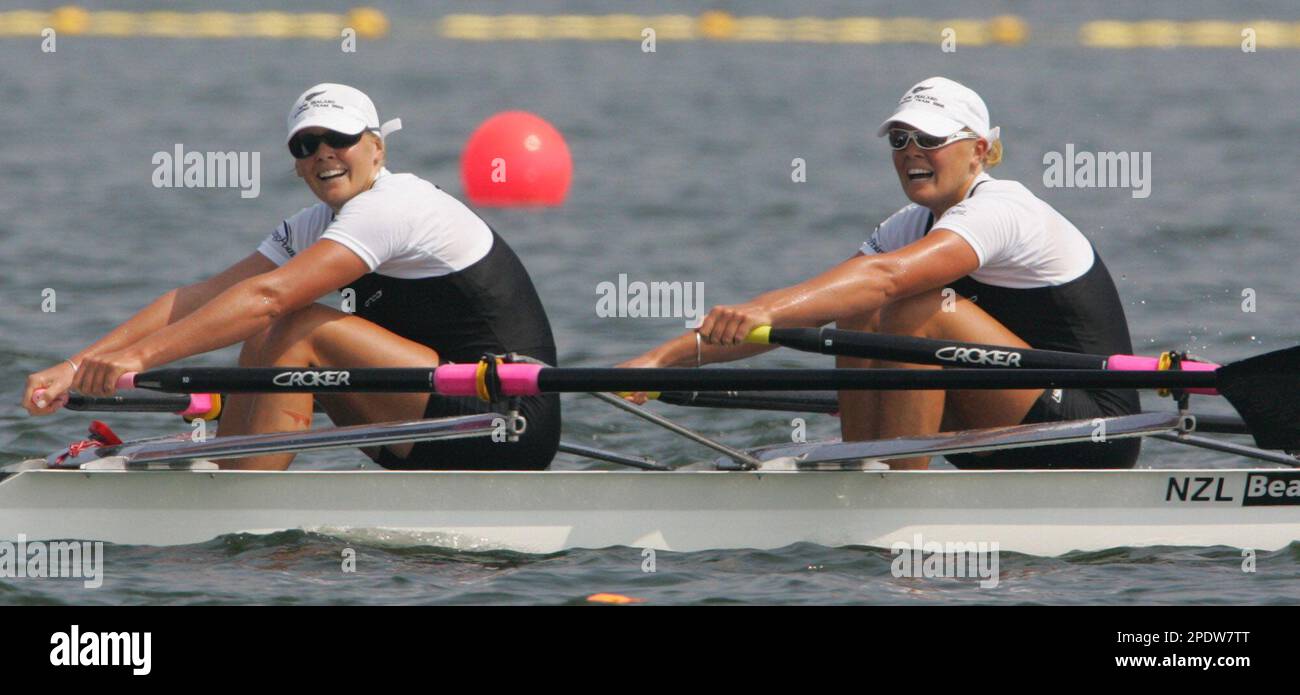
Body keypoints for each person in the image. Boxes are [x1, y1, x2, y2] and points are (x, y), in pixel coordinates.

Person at [22, 83, 561, 471]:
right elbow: (205, 296)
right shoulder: (316, 224)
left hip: (504, 421)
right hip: (430, 420)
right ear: (297, 164)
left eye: (339, 138)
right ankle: (228, 478)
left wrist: (138, 360)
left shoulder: (395, 206)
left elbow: (268, 297)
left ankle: (242, 499)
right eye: (306, 145)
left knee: (296, 325)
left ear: (377, 148)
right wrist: (77, 365)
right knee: (262, 327)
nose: (323, 152)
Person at [620, 76, 1140, 470]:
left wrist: (762, 310)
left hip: (1092, 432)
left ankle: (890, 489)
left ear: (979, 150)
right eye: (900, 141)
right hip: (1006, 423)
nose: (912, 152)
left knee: (915, 304)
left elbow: (888, 279)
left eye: (929, 139)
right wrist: (660, 360)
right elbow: (815, 310)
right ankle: (867, 468)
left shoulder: (1004, 210)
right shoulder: (909, 225)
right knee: (854, 305)